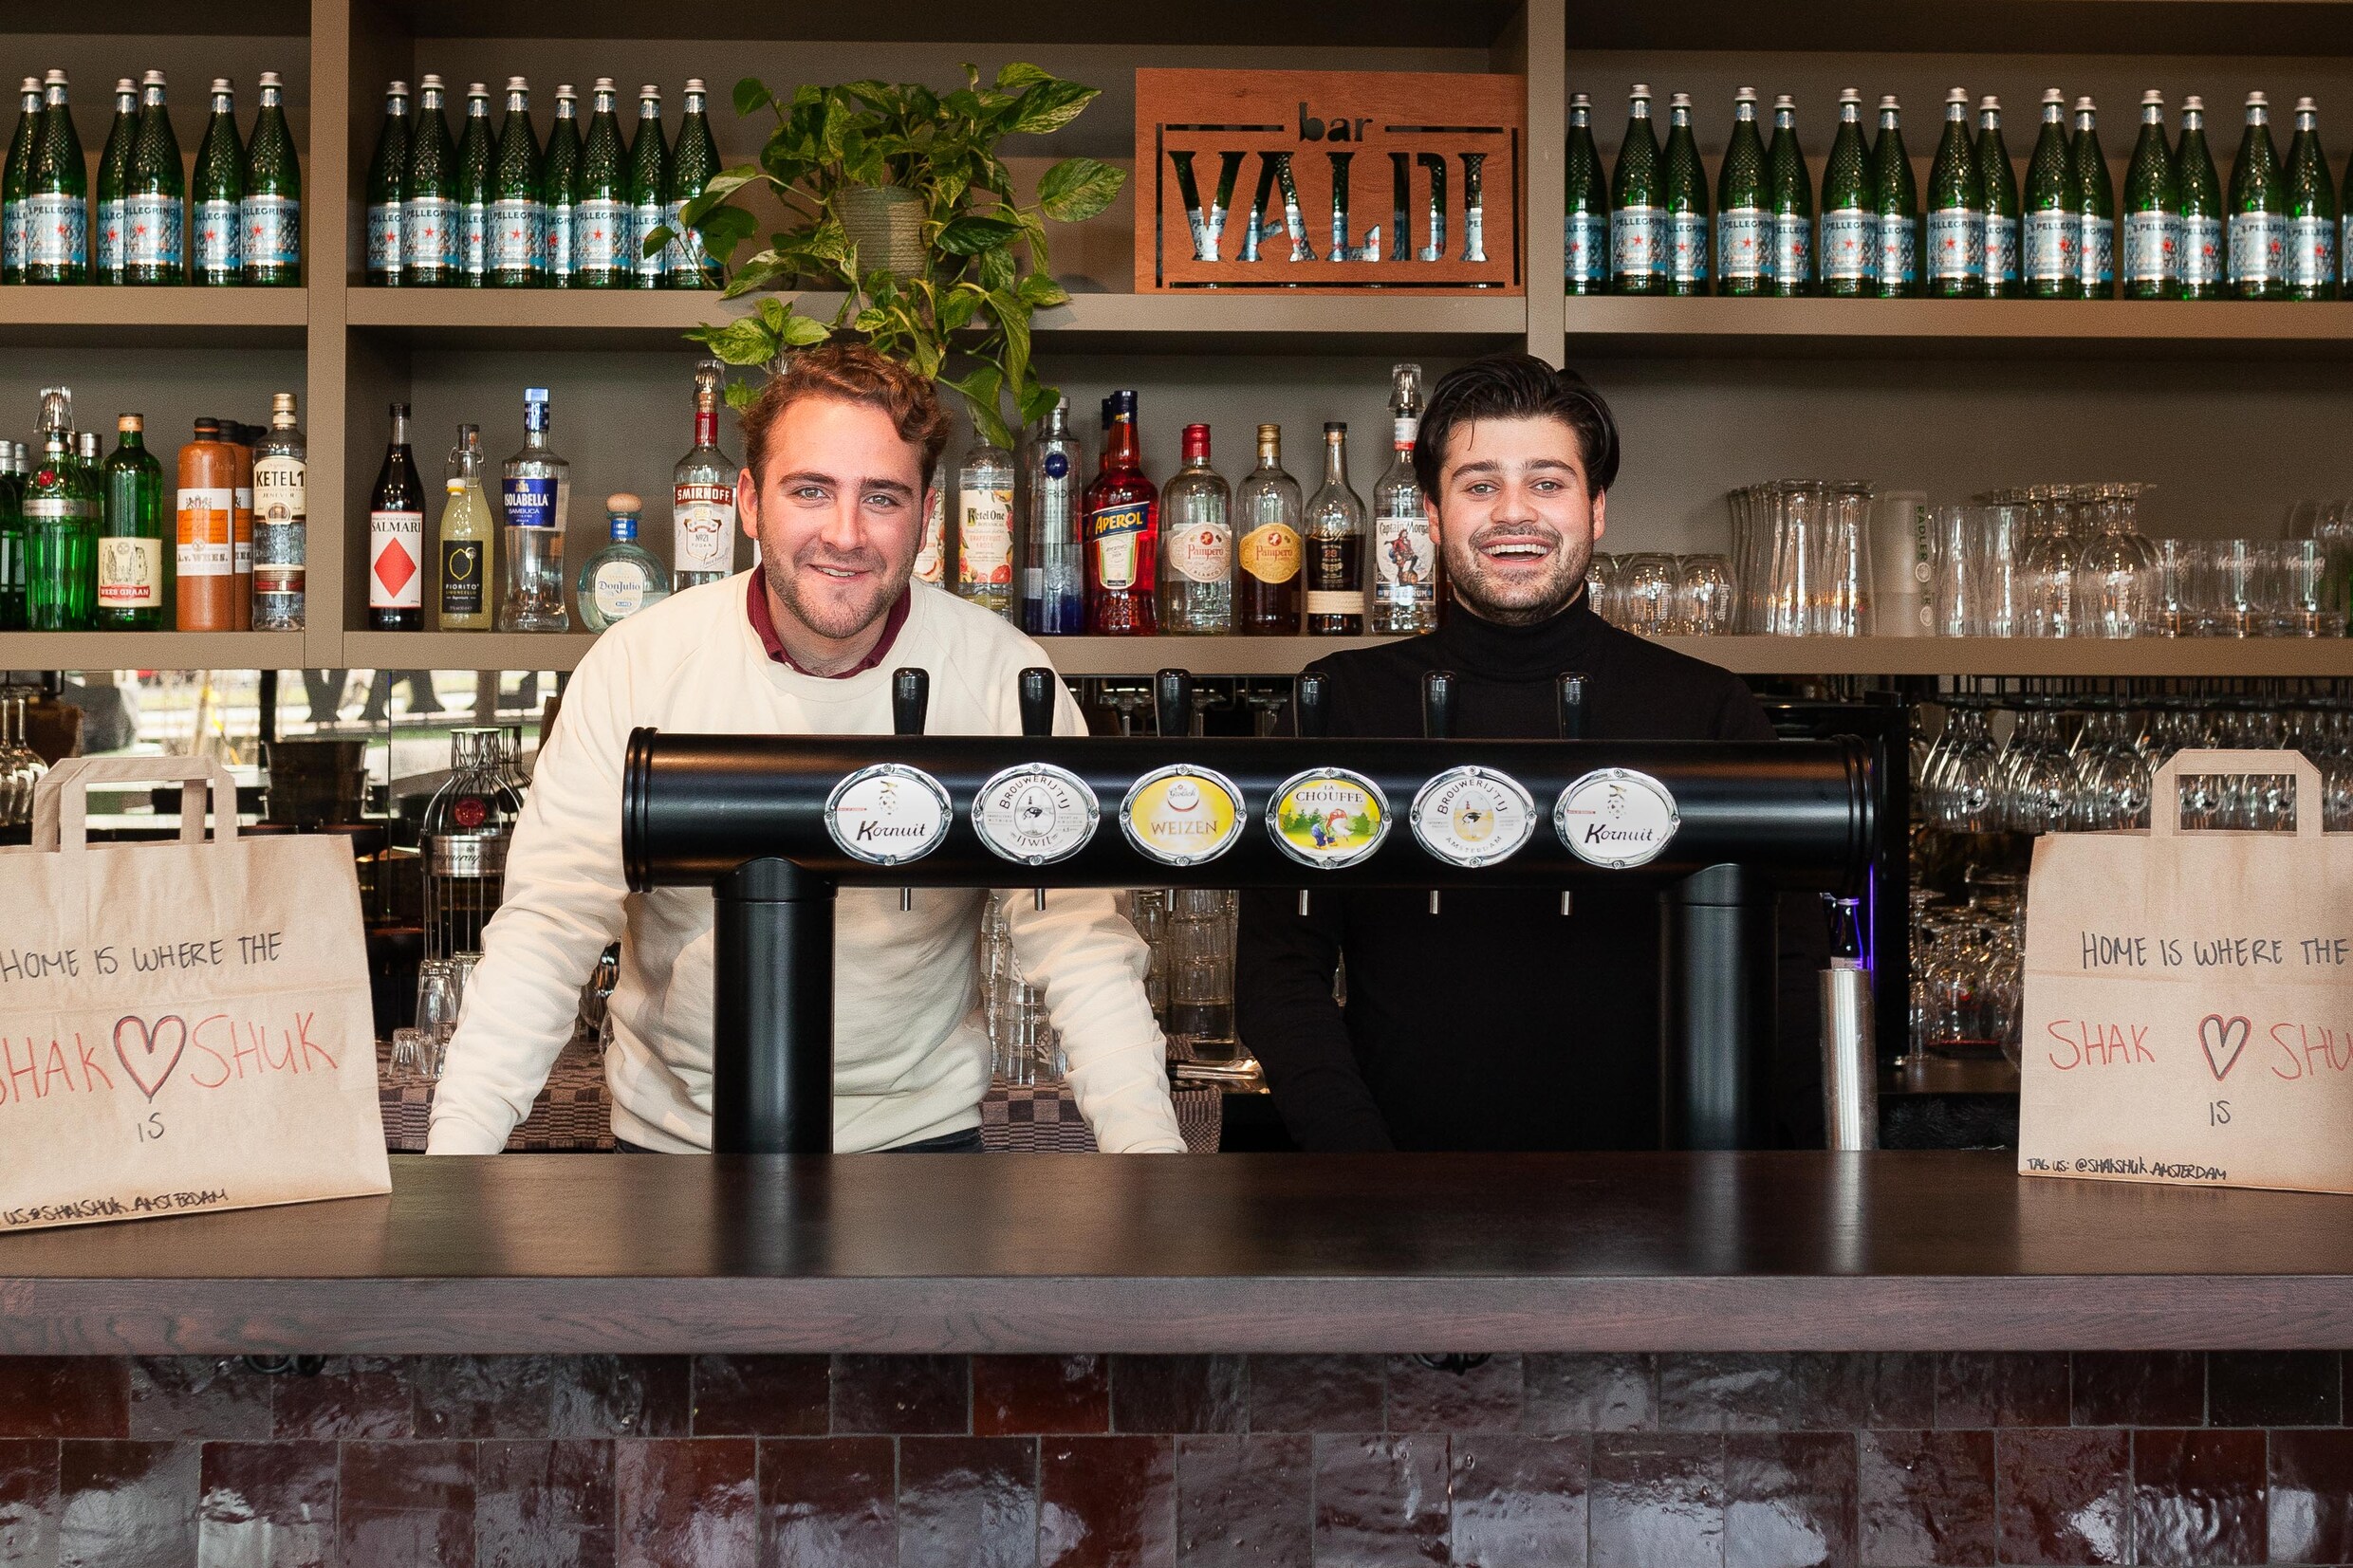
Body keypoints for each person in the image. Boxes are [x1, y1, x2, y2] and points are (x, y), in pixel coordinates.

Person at [428, 343, 1186, 1155]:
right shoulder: (639, 664)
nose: (846, 534)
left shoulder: (1003, 677)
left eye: (883, 498)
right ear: (749, 502)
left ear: (927, 515)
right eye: (811, 491)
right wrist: (456, 1155)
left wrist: (1153, 1159)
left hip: (918, 1153)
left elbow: (1078, 945)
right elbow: (549, 927)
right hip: (675, 1148)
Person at [1233, 353, 1823, 1153]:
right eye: (1480, 485)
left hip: (1663, 1210)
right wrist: (1364, 1175)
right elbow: (1280, 975)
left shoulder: (1708, 710)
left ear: (1598, 508)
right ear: (1434, 516)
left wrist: (1742, 1183)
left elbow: (1785, 975)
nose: (1515, 513)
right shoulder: (1338, 703)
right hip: (1402, 1206)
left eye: (1547, 482)